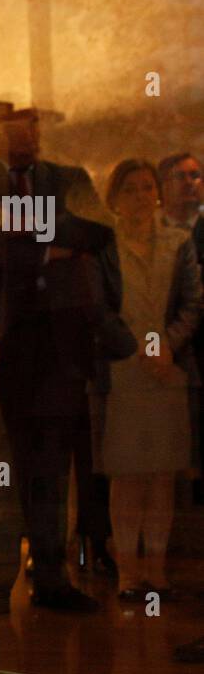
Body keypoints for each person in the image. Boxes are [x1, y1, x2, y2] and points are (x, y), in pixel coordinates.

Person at [0, 161, 130, 612]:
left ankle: (51, 576)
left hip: (64, 370)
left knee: (54, 478)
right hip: (13, 376)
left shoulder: (67, 233)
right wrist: (44, 251)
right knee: (5, 480)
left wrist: (45, 241)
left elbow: (96, 234)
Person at [94, 160, 202, 601]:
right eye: (131, 189)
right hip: (122, 369)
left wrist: (167, 346)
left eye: (147, 188)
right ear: (115, 197)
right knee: (126, 475)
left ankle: (155, 569)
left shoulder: (179, 244)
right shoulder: (104, 247)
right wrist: (136, 349)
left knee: (161, 474)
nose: (142, 197)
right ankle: (127, 571)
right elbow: (99, 307)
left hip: (167, 370)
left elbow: (193, 304)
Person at [157, 152, 204, 502]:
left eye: (196, 175)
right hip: (161, 348)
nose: (190, 183)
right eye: (181, 176)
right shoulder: (151, 230)